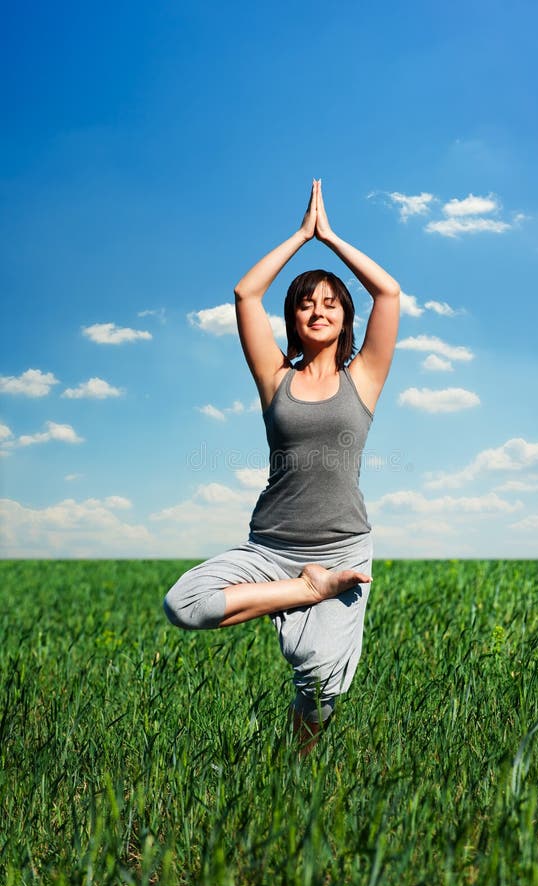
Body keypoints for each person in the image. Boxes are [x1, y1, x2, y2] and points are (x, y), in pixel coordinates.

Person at [163, 180, 400, 753]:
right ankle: (306, 591)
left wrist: (331, 237)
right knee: (184, 606)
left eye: (330, 303)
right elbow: (247, 294)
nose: (317, 310)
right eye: (304, 303)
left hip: (342, 548)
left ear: (346, 318)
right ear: (292, 320)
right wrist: (300, 235)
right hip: (271, 546)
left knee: (318, 683)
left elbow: (389, 294)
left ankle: (297, 770)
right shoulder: (275, 378)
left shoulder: (363, 378)